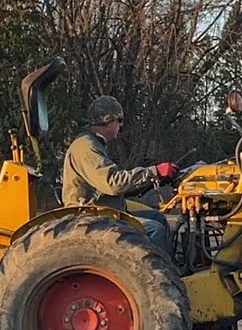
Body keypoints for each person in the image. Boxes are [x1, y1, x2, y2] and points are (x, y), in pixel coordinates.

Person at [61, 95, 180, 251]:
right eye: (120, 120)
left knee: (159, 218)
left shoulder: (96, 144)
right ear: (108, 120)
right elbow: (113, 183)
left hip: (104, 210)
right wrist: (153, 171)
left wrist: (153, 178)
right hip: (93, 218)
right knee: (154, 229)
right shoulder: (86, 147)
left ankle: (173, 266)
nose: (121, 125)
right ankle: (162, 273)